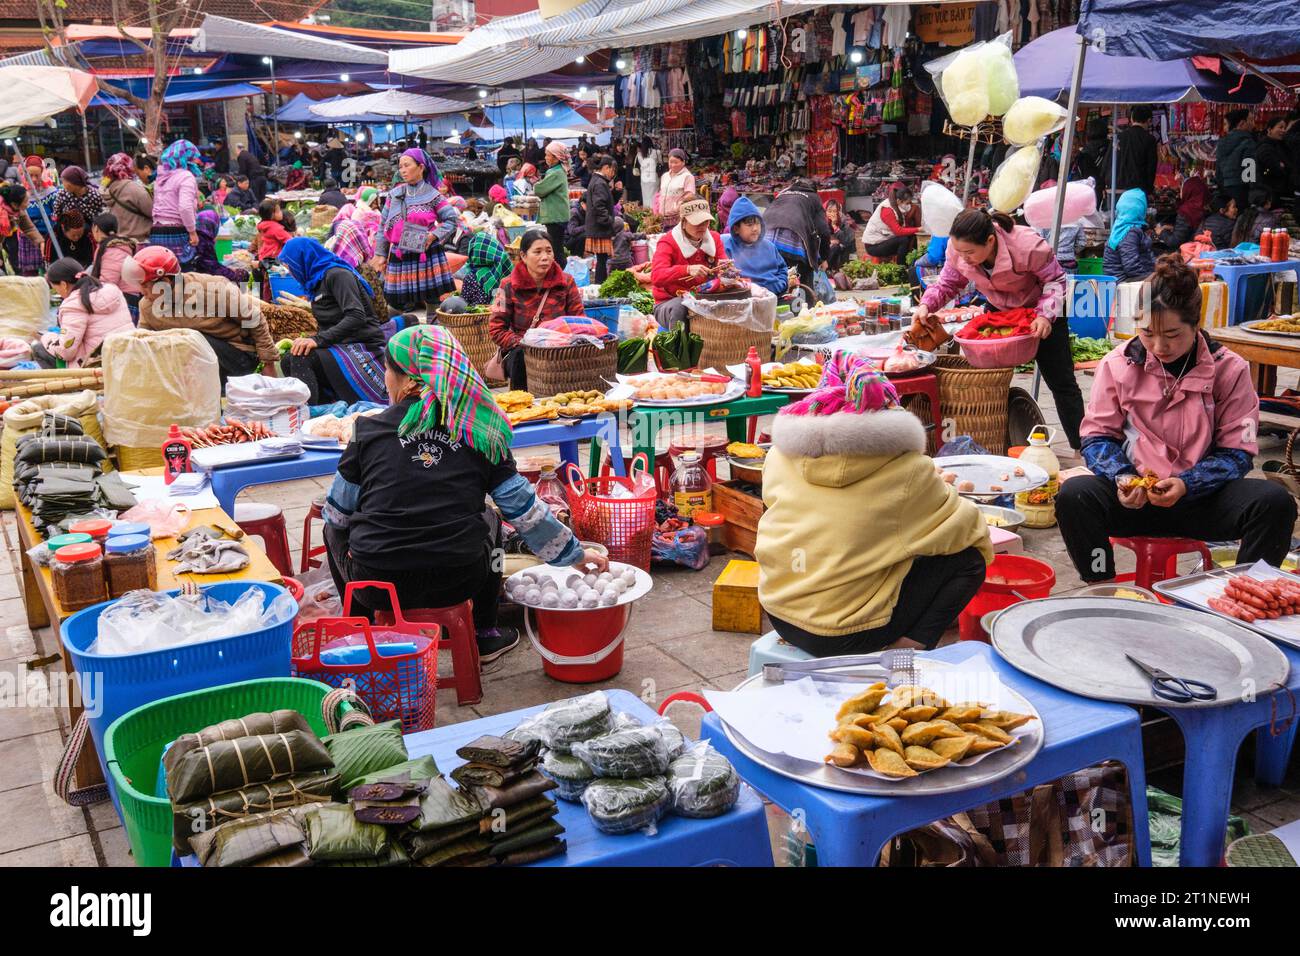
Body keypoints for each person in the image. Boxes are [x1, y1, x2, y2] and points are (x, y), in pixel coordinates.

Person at [321, 324, 608, 660]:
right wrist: (572, 555)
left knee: (332, 529)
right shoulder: (481, 430)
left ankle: (361, 629)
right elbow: (524, 511)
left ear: (411, 379)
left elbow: (337, 512)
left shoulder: (366, 431)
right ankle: (484, 629)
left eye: (388, 370)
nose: (385, 378)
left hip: (378, 584)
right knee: (492, 520)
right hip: (459, 576)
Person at [1058, 255, 1295, 580]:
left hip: (1203, 502)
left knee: (1275, 503)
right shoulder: (1117, 364)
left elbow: (1237, 454)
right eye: (1146, 333)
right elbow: (1097, 439)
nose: (1158, 345)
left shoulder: (1230, 369)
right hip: (1133, 502)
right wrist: (1124, 478)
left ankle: (1248, 588)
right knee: (1075, 496)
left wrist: (1187, 484)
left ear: (1195, 324)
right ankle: (1100, 581)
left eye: (1172, 334)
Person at [756, 352, 991, 655]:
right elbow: (970, 528)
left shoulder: (779, 455)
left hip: (779, 613)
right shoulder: (906, 469)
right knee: (969, 560)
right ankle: (905, 650)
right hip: (846, 633)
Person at [913, 208, 1085, 455]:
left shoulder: (1027, 245)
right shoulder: (957, 251)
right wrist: (925, 305)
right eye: (959, 252)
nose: (964, 258)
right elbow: (948, 284)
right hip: (999, 313)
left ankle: (1083, 447)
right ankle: (996, 444)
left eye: (970, 252)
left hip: (1040, 312)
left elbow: (1055, 280)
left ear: (990, 241)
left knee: (1062, 383)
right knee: (990, 382)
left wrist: (1045, 316)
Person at [131, 246, 278, 385]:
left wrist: (268, 363)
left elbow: (254, 319)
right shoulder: (147, 305)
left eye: (145, 286)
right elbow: (143, 340)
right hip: (188, 367)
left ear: (165, 281)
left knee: (191, 340)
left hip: (236, 357)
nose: (142, 292)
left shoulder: (213, 289)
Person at [281, 237, 394, 405]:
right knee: (288, 359)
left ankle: (308, 415)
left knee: (301, 358)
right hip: (340, 343)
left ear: (303, 260)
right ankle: (324, 406)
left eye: (290, 266)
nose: (290, 272)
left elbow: (356, 316)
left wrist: (317, 340)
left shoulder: (337, 275)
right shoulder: (316, 282)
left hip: (360, 344)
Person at [488, 229, 585, 389]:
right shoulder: (508, 285)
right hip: (523, 353)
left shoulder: (566, 282)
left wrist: (561, 342)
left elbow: (579, 321)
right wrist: (526, 343)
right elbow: (496, 329)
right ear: (524, 256)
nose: (545, 257)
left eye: (548, 251)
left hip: (561, 351)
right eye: (537, 252)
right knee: (520, 358)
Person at [368, 148, 460, 312]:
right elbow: (383, 226)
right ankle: (397, 333)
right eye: (400, 166)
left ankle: (433, 334)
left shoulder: (433, 195)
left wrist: (433, 236)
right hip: (400, 254)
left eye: (407, 165)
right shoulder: (394, 194)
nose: (402, 170)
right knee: (395, 303)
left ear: (421, 167)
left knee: (433, 301)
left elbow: (451, 220)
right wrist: (380, 253)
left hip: (427, 254)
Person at [31, 256, 133, 369]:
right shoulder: (112, 290)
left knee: (39, 348)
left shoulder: (74, 304)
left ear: (64, 285)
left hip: (98, 365)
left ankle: (73, 386)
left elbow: (66, 351)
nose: (58, 293)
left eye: (56, 288)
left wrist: (46, 337)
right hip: (127, 356)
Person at [650, 195, 723, 329]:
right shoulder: (668, 242)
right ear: (683, 222)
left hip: (704, 298)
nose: (703, 226)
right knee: (681, 307)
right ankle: (679, 349)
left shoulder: (715, 238)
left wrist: (727, 272)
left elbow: (722, 267)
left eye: (706, 221)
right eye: (697, 222)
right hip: (669, 302)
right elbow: (656, 276)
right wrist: (687, 269)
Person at [764, 178, 831, 289]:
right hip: (791, 242)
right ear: (814, 190)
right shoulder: (814, 197)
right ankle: (808, 304)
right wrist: (823, 258)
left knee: (775, 279)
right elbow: (823, 230)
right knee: (802, 279)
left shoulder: (782, 193)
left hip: (766, 240)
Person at [723, 196, 789, 297]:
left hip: (774, 296)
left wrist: (779, 285)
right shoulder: (727, 247)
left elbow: (782, 269)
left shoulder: (770, 246)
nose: (755, 228)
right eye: (749, 225)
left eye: (758, 223)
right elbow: (727, 278)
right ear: (736, 228)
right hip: (744, 298)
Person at [149, 140, 201, 265]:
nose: (195, 161)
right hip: (176, 232)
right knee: (180, 274)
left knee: (162, 273)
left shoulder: (161, 177)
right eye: (192, 158)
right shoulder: (186, 176)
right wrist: (192, 232)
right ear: (185, 158)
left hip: (156, 231)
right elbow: (185, 207)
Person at [1104, 189, 1156, 281]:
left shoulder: (1123, 227)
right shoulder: (1129, 233)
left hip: (1126, 278)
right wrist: (1152, 278)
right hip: (1123, 282)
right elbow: (1131, 267)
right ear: (1140, 209)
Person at [101, 152, 153, 243]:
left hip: (120, 241)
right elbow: (152, 211)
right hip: (140, 241)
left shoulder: (108, 189)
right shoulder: (133, 188)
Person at [534, 140, 571, 269]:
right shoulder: (556, 171)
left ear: (556, 157)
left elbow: (539, 190)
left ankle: (562, 276)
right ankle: (562, 275)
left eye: (547, 155)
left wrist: (537, 185)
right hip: (557, 215)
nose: (545, 158)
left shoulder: (556, 173)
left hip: (556, 216)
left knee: (556, 250)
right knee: (557, 248)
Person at [860, 185, 919, 265]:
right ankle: (901, 267)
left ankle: (911, 263)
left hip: (884, 240)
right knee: (903, 239)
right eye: (907, 203)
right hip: (874, 246)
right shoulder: (887, 210)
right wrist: (918, 229)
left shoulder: (896, 206)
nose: (908, 205)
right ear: (899, 201)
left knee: (911, 237)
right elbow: (898, 231)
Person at [186, 209, 246, 283]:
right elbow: (214, 269)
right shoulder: (204, 242)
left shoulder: (193, 236)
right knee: (243, 276)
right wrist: (236, 274)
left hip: (190, 277)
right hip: (195, 281)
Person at [585, 154, 618, 284]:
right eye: (612, 170)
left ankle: (600, 284)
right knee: (602, 259)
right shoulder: (600, 183)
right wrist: (608, 220)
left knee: (601, 259)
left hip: (597, 226)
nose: (613, 174)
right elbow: (599, 206)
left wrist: (617, 191)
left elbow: (607, 202)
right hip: (600, 227)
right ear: (605, 167)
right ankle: (600, 285)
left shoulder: (598, 181)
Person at [1155, 176, 1209, 252]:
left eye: (1182, 188)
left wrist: (1161, 232)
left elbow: (1175, 242)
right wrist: (1174, 228)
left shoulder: (1186, 211)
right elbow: (1192, 230)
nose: (1180, 191)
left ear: (1188, 191)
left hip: (1188, 251)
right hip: (1201, 249)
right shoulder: (1207, 207)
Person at [1215, 109, 1255, 211]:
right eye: (1251, 120)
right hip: (1241, 190)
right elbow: (1249, 172)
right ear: (1242, 123)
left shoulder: (1221, 142)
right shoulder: (1248, 142)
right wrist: (1253, 192)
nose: (1253, 124)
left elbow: (1218, 171)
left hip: (1225, 188)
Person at [459, 231, 512, 307]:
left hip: (476, 317)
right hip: (501, 315)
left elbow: (463, 303)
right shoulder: (503, 269)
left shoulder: (470, 277)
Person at [0, 183, 43, 276]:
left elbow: (29, 228)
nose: (29, 203)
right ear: (14, 204)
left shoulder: (17, 212)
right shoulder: (1, 214)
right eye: (26, 201)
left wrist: (41, 242)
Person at [1115, 106, 1158, 196]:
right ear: (1149, 121)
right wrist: (1148, 190)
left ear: (1131, 119)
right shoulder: (1149, 139)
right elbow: (1151, 168)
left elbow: (1109, 162)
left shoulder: (1118, 137)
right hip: (1137, 191)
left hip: (1115, 188)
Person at [89, 213, 136, 288]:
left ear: (96, 228)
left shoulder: (112, 249)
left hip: (124, 295)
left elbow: (108, 284)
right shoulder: (116, 245)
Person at [1255, 117, 1293, 205]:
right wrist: (1282, 166)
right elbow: (1276, 168)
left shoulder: (1281, 145)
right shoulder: (1265, 147)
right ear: (1269, 129)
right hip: (1271, 193)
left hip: (1280, 191)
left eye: (1285, 128)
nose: (1283, 130)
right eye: (1280, 127)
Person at [655, 148, 696, 228]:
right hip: (663, 217)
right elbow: (661, 193)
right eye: (671, 162)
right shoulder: (665, 176)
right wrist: (657, 207)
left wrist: (677, 206)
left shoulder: (687, 176)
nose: (673, 165)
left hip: (678, 218)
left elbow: (690, 196)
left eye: (676, 162)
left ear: (683, 162)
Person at [822, 199, 856, 272]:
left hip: (842, 249)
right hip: (824, 250)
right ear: (825, 211)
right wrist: (830, 242)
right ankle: (826, 269)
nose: (832, 214)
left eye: (835, 211)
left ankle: (849, 266)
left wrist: (835, 226)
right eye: (829, 211)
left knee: (850, 242)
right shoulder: (821, 221)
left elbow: (847, 240)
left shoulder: (843, 220)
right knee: (834, 247)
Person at [637, 138, 660, 212]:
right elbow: (661, 163)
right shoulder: (657, 152)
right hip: (654, 178)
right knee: (654, 197)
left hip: (644, 179)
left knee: (645, 197)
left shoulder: (639, 154)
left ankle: (646, 213)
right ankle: (654, 213)